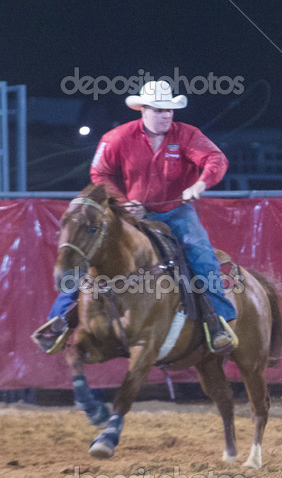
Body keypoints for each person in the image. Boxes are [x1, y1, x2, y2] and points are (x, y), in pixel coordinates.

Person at [31, 79, 238, 355]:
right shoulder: (117, 138)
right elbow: (100, 174)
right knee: (91, 254)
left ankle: (218, 321)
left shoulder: (187, 135)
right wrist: (125, 203)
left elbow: (216, 159)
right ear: (143, 110)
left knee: (200, 253)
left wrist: (200, 185)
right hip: (131, 213)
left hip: (176, 211)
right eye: (158, 110)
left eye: (169, 110)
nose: (165, 115)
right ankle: (58, 321)